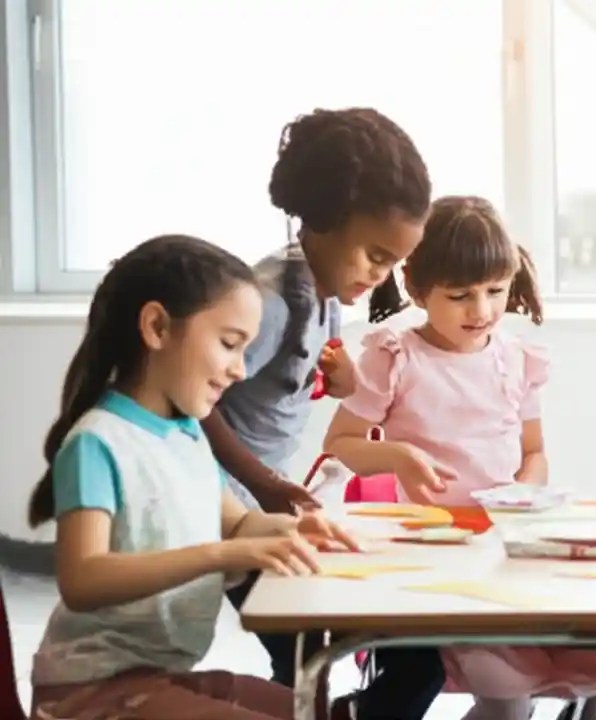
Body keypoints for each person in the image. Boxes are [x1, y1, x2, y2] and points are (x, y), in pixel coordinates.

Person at [24, 235, 359, 720]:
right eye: (229, 345)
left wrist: (296, 530)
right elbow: (82, 578)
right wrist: (222, 554)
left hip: (158, 675)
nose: (241, 371)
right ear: (157, 327)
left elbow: (239, 523)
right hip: (89, 693)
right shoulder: (98, 442)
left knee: (316, 712)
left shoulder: (185, 433)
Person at [324, 196, 596, 720]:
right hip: (437, 559)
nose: (481, 310)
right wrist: (397, 455)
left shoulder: (516, 359)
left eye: (495, 291)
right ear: (416, 286)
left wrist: (526, 489)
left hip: (505, 550)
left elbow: (534, 452)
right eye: (459, 295)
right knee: (505, 698)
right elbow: (340, 443)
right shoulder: (394, 356)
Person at [204, 107, 434, 716]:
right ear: (326, 218)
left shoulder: (324, 292)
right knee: (304, 651)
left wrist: (343, 379)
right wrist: (265, 482)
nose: (379, 275)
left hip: (259, 501)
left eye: (391, 262)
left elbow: (316, 374)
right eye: (375, 256)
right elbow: (192, 406)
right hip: (222, 503)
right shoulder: (271, 302)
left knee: (340, 650)